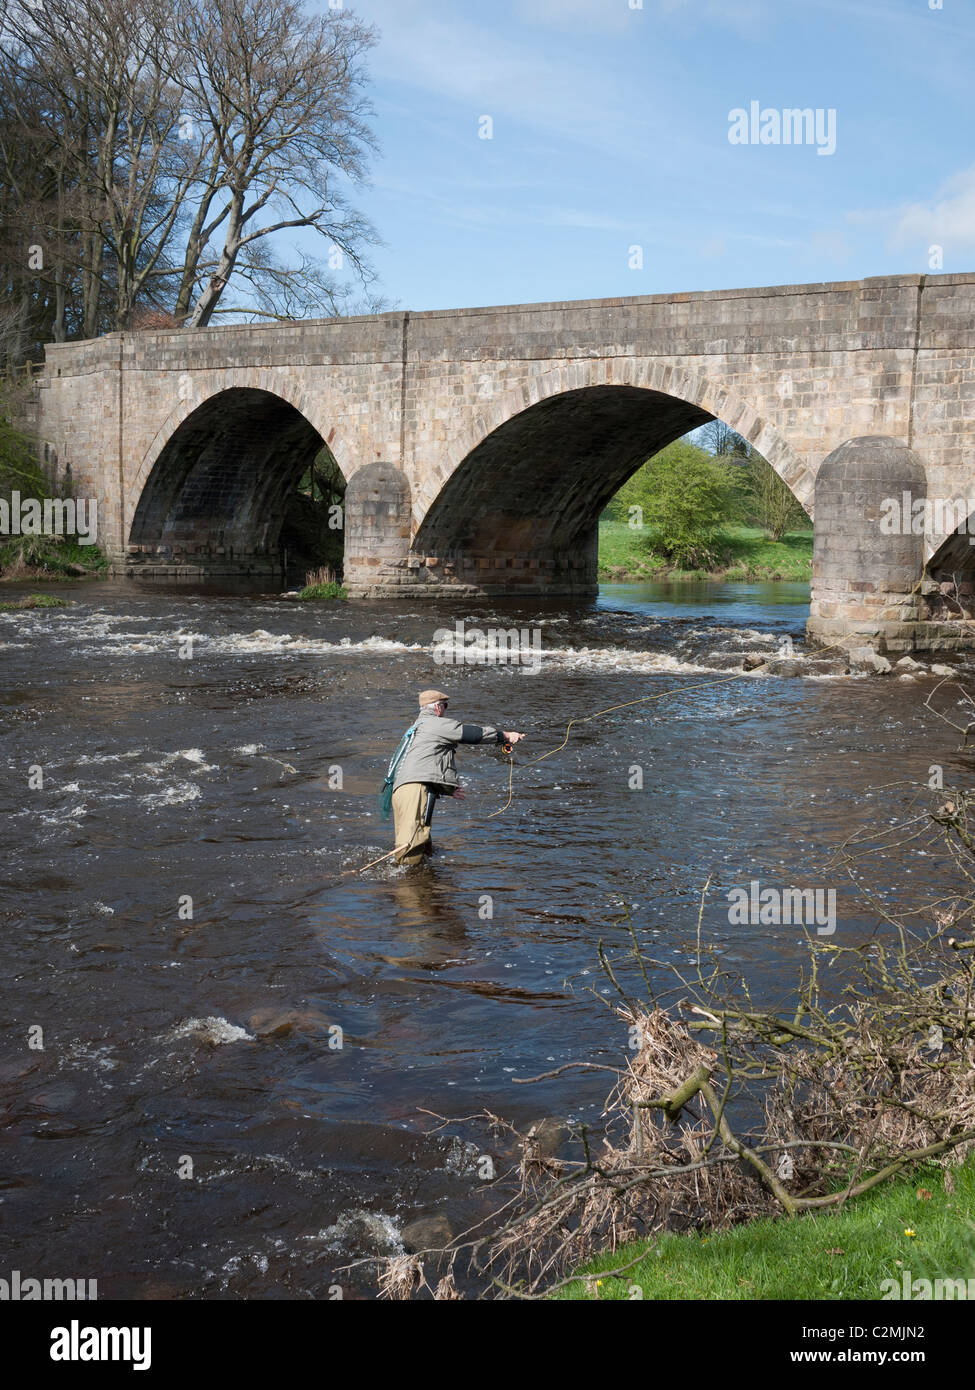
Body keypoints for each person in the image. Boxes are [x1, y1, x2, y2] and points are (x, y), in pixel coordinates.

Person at [389, 689, 524, 865]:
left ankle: (419, 878)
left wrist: (446, 789)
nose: (445, 709)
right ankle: (407, 886)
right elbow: (472, 734)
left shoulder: (416, 727)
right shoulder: (435, 724)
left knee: (421, 842)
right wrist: (505, 736)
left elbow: (424, 763)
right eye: (445, 706)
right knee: (411, 844)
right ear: (438, 707)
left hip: (401, 791)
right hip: (415, 790)